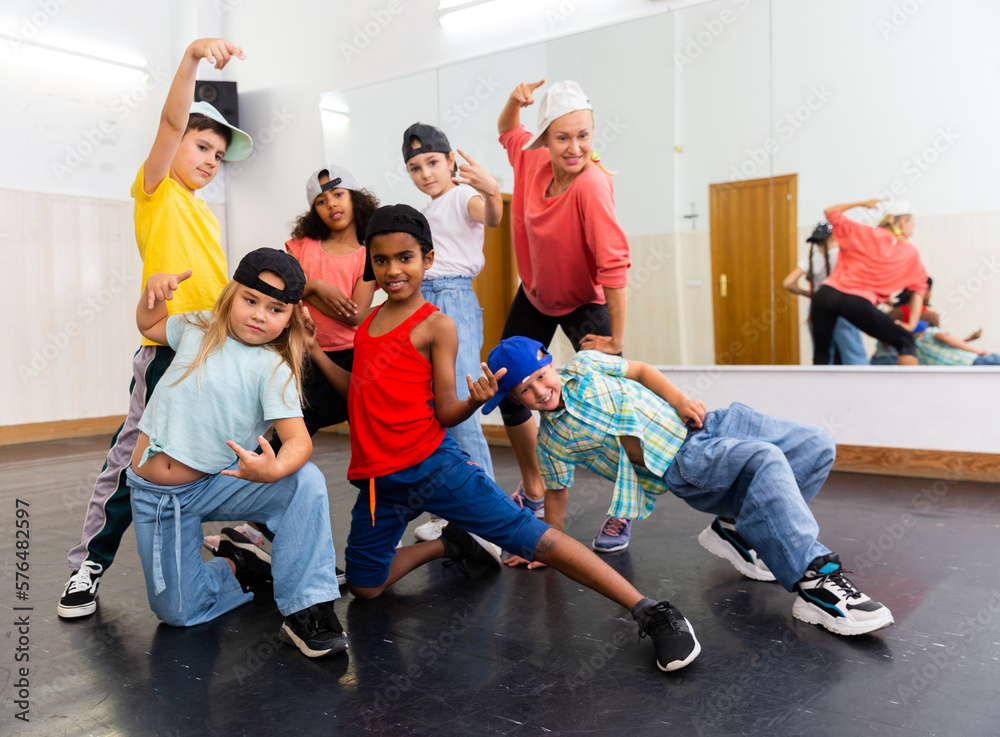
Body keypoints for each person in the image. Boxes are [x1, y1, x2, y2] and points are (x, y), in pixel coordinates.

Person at [306, 204, 701, 673]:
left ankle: (653, 611)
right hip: (379, 483)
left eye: (405, 258)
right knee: (367, 586)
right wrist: (314, 349)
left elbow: (448, 412)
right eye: (381, 260)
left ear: (427, 259)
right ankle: (452, 544)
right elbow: (358, 394)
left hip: (436, 469)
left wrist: (477, 401)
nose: (393, 270)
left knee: (536, 540)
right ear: (370, 264)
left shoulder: (437, 325)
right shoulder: (367, 326)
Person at [486, 337, 896, 637]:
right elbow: (557, 493)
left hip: (708, 423)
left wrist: (681, 400)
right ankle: (814, 582)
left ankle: (738, 528)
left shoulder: (589, 364)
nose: (540, 390)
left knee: (816, 445)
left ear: (551, 363)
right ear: (517, 399)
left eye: (541, 376)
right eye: (525, 389)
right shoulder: (553, 442)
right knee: (766, 460)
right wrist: (543, 546)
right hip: (683, 462)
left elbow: (643, 372)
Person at [59, 38, 253, 620]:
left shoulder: (207, 214)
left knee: (228, 452)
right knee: (131, 464)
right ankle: (87, 567)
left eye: (219, 153)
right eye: (201, 145)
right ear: (174, 147)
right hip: (167, 349)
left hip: (214, 353)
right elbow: (170, 121)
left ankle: (240, 539)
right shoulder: (157, 191)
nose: (210, 159)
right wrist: (192, 57)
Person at [126, 248, 345, 658]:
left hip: (217, 483)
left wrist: (273, 468)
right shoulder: (199, 327)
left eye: (276, 309)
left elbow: (299, 441)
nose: (260, 315)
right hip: (156, 498)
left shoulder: (273, 367)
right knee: (177, 612)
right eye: (251, 301)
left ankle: (309, 610)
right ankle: (238, 567)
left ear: (290, 318)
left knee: (305, 480)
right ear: (232, 295)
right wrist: (152, 292)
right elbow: (150, 323)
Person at [496, 79, 634, 553]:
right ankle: (534, 490)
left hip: (584, 301)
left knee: (615, 407)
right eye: (563, 137)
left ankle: (623, 510)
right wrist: (514, 102)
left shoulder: (592, 186)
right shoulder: (531, 160)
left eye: (584, 135)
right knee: (506, 387)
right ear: (545, 140)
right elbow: (507, 130)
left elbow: (615, 266)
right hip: (534, 295)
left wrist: (615, 339)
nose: (575, 147)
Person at [402, 122, 502, 542]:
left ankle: (490, 516)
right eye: (414, 167)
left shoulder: (464, 196)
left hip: (453, 299)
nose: (425, 173)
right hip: (424, 301)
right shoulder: (424, 213)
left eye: (432, 162)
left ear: (450, 163)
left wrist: (493, 191)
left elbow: (491, 217)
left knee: (460, 407)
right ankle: (455, 512)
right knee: (433, 411)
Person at [271, 164, 379, 450]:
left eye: (338, 194)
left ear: (355, 197)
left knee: (364, 427)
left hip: (349, 357)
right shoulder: (301, 246)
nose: (331, 203)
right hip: (302, 352)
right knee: (288, 431)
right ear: (314, 210)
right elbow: (280, 290)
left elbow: (355, 314)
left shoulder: (368, 254)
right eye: (321, 200)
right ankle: (259, 477)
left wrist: (304, 288)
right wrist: (317, 284)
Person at [810, 199, 928, 366]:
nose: (912, 231)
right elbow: (919, 289)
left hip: (826, 294)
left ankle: (818, 392)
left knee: (822, 355)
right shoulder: (910, 250)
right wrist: (911, 325)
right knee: (906, 341)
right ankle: (907, 392)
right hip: (856, 302)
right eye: (912, 225)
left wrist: (862, 203)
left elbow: (830, 211)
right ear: (903, 222)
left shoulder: (862, 231)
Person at [782, 222, 866, 365]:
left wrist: (809, 294)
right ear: (833, 237)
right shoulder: (842, 255)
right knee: (853, 353)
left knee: (823, 355)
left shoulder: (810, 259)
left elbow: (787, 283)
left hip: (817, 308)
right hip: (843, 307)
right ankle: (861, 385)